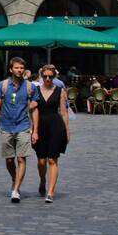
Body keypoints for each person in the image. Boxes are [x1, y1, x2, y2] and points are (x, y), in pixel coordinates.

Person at [0, 57, 39, 203]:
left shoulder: (30, 87)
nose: (19, 70)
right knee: (9, 160)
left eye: (21, 68)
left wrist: (35, 130)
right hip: (6, 126)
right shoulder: (2, 85)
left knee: (21, 158)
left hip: (23, 126)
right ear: (11, 69)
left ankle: (16, 189)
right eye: (16, 67)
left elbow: (35, 109)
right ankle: (15, 178)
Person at [32, 65, 70, 203]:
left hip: (56, 126)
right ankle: (43, 180)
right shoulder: (35, 91)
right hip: (40, 126)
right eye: (45, 76)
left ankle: (50, 191)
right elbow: (32, 109)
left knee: (52, 160)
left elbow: (64, 113)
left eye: (50, 76)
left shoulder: (60, 91)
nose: (48, 79)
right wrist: (33, 129)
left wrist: (67, 131)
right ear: (41, 76)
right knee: (41, 161)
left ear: (54, 77)